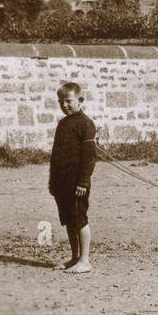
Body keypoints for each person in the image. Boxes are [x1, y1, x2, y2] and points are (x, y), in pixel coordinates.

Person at [49, 81, 96, 273]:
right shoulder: (62, 124)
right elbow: (55, 155)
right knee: (69, 219)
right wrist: (53, 181)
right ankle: (74, 257)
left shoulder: (86, 124)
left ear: (80, 100)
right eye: (61, 102)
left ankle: (85, 260)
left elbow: (89, 157)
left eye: (68, 101)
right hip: (62, 181)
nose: (64, 105)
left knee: (79, 219)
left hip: (77, 182)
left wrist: (83, 181)